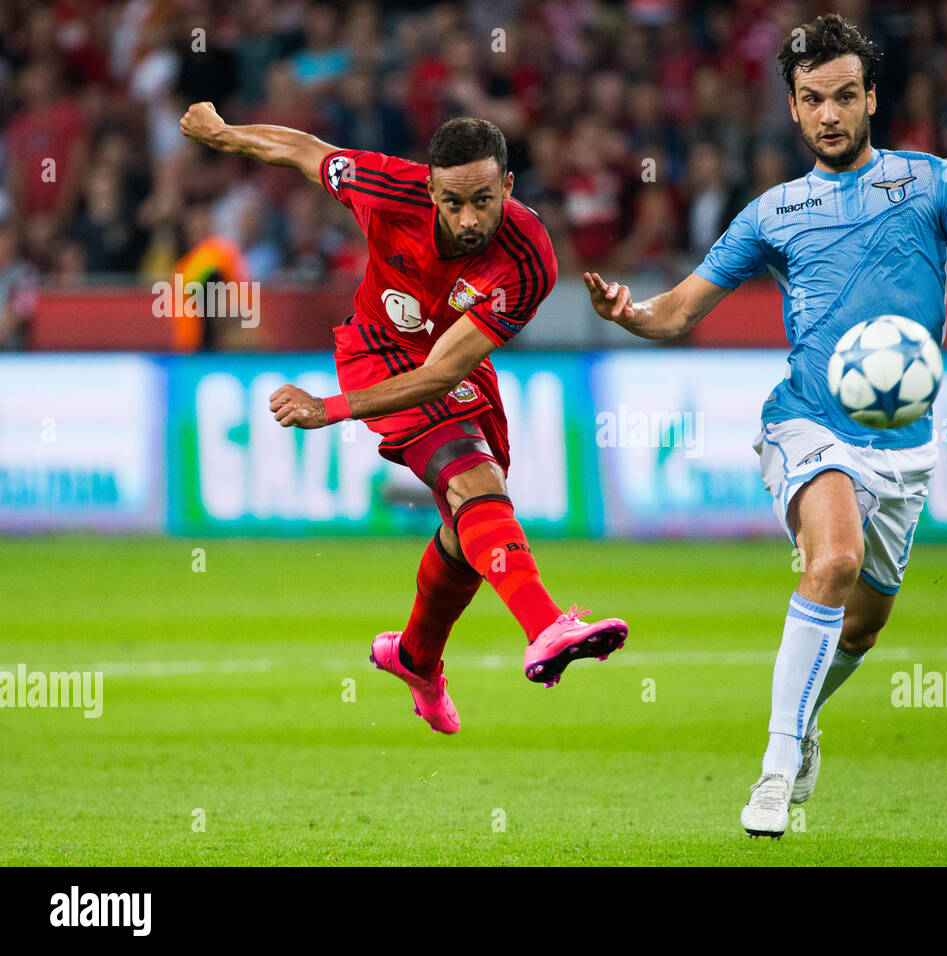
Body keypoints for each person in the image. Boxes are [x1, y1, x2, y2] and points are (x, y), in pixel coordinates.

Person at [582, 14, 947, 837]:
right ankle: (775, 770)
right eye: (813, 99)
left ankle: (806, 717)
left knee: (862, 622)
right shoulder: (771, 214)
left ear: (871, 99)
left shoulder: (934, 182)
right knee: (832, 558)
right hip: (806, 424)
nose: (830, 113)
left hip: (904, 447)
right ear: (793, 107)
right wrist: (629, 312)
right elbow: (678, 311)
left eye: (845, 97)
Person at [180, 103, 628, 734]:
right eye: (451, 202)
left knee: (468, 523)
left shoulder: (529, 260)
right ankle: (546, 626)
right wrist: (226, 135)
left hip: (451, 362)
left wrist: (326, 411)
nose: (468, 219)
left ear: (508, 187)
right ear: (430, 189)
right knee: (475, 484)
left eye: (482, 200)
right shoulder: (385, 186)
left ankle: (415, 658)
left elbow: (443, 373)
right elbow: (304, 150)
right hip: (376, 350)